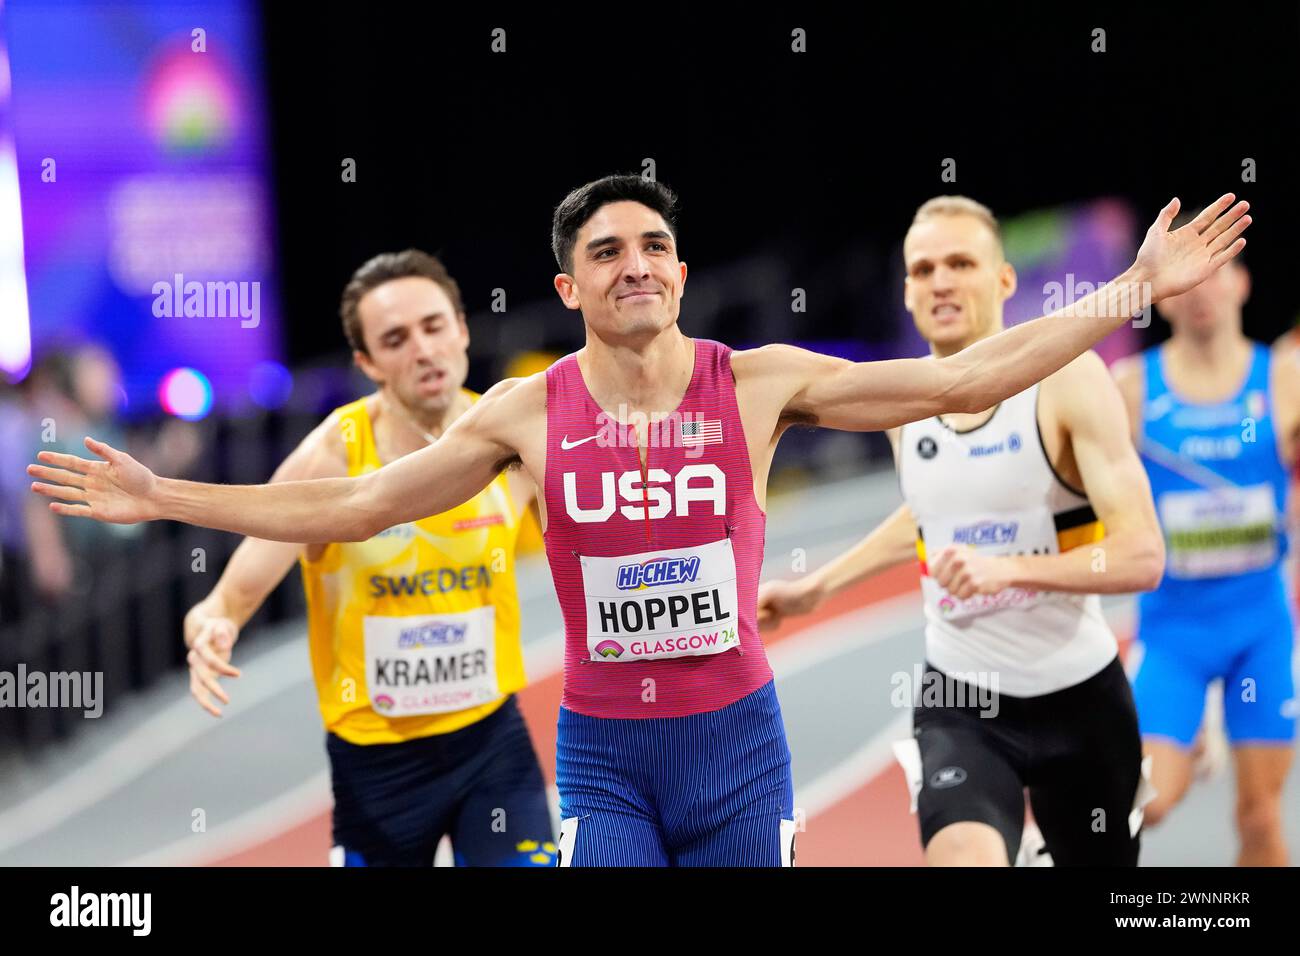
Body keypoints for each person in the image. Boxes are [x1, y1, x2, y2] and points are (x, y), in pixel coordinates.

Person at [29, 176, 1250, 866]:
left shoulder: (758, 379)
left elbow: (960, 381)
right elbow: (350, 501)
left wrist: (1132, 288)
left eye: (657, 245)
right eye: (606, 251)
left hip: (737, 748)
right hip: (608, 757)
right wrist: (161, 494)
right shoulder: (525, 413)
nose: (638, 263)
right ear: (568, 287)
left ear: (678, 269)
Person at [757, 195, 1163, 866]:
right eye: (921, 269)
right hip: (961, 700)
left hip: (1081, 699)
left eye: (959, 262)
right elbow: (933, 510)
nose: (939, 281)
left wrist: (1010, 570)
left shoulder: (1069, 381)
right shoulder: (900, 403)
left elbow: (1142, 554)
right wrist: (819, 587)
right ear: (907, 293)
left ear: (1004, 281)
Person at [183, 250, 555, 866]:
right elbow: (227, 598)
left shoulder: (509, 439)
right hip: (376, 767)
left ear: (462, 329)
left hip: (492, 744)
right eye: (395, 338)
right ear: (367, 362)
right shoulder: (330, 457)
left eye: (435, 326)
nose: (423, 349)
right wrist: (211, 630)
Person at [1111, 242, 1298, 866]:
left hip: (1261, 630)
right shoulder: (1133, 388)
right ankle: (1190, 742)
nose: (1200, 292)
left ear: (1243, 285)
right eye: (1186, 280)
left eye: (1216, 276)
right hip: (1173, 633)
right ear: (1163, 297)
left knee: (1260, 818)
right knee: (1149, 805)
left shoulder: (1285, 378)